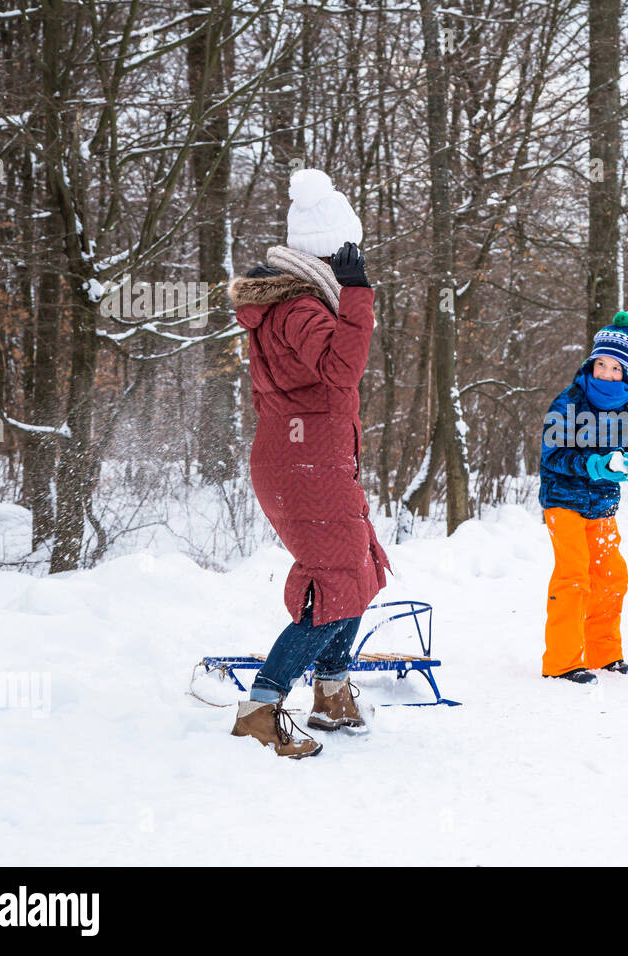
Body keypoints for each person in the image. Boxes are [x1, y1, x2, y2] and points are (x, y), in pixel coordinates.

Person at [225, 168, 389, 756]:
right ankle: (261, 706)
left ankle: (331, 690)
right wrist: (359, 296)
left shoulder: (294, 304)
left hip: (306, 459)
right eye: (351, 253)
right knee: (336, 581)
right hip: (305, 465)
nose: (356, 261)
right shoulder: (304, 310)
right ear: (331, 254)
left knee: (358, 574)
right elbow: (341, 371)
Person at [538, 312, 628, 683]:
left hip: (602, 507)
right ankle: (563, 662)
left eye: (615, 368)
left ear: (626, 373)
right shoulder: (568, 402)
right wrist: (594, 465)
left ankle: (604, 653)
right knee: (573, 577)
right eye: (601, 364)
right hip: (563, 500)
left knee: (611, 576)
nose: (606, 373)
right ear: (591, 363)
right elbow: (551, 456)